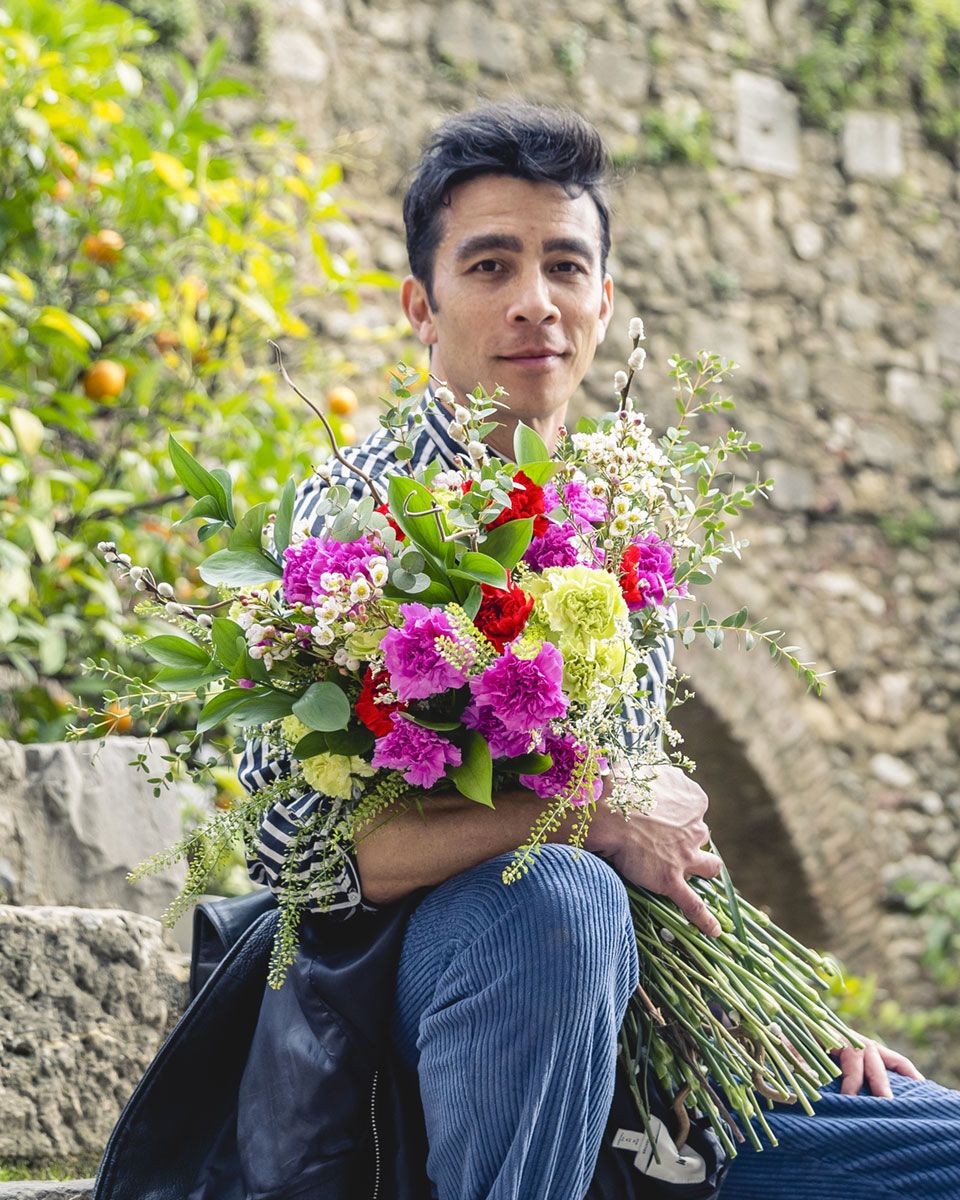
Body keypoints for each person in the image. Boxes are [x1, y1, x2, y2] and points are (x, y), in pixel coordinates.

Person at [238, 103, 960, 1199]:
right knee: (559, 899)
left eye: (565, 266)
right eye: (491, 266)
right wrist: (586, 817)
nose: (536, 300)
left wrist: (770, 1015)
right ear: (421, 307)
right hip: (427, 1022)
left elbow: (649, 834)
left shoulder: (622, 519)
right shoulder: (352, 521)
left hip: (642, 1031)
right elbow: (292, 852)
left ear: (605, 300)